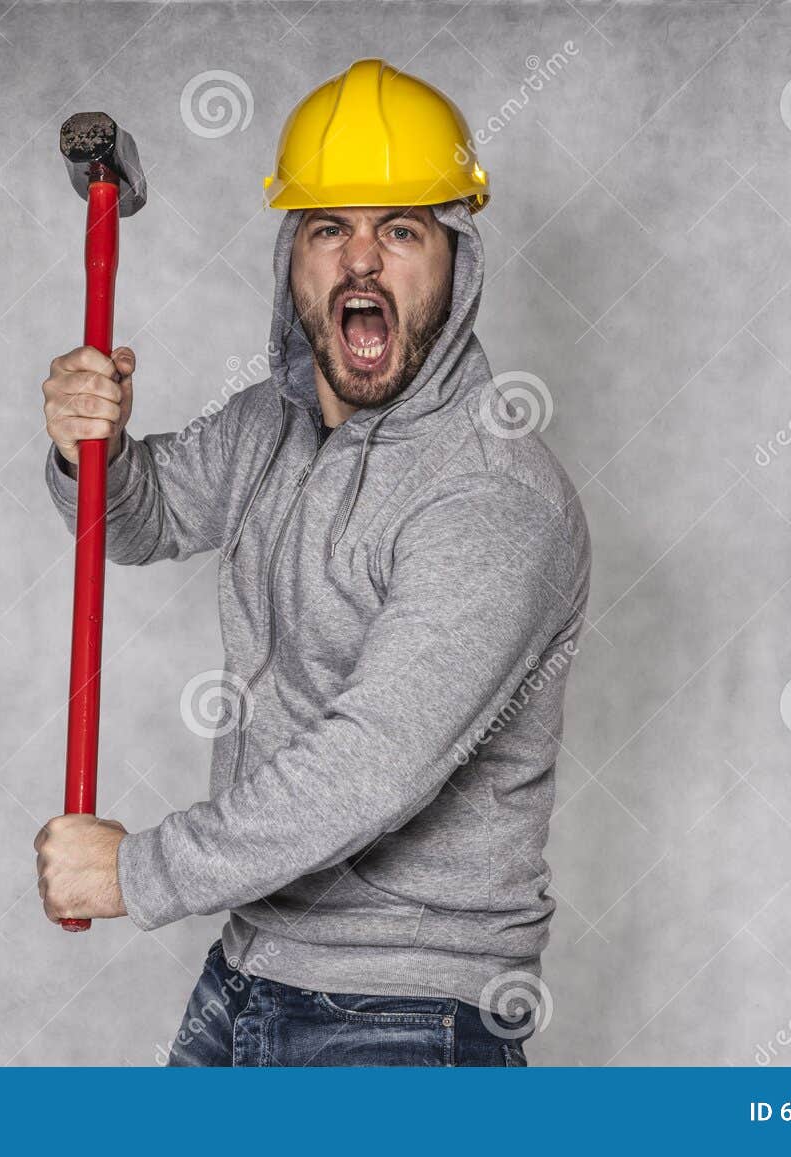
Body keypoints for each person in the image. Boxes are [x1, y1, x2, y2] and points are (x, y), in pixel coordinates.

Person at [33, 58, 591, 1066]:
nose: (362, 261)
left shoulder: (494, 493)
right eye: (330, 228)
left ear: (458, 262)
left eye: (402, 230)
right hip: (249, 974)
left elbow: (369, 765)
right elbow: (138, 519)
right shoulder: (272, 424)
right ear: (292, 259)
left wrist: (137, 870)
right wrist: (89, 447)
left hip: (405, 1016)